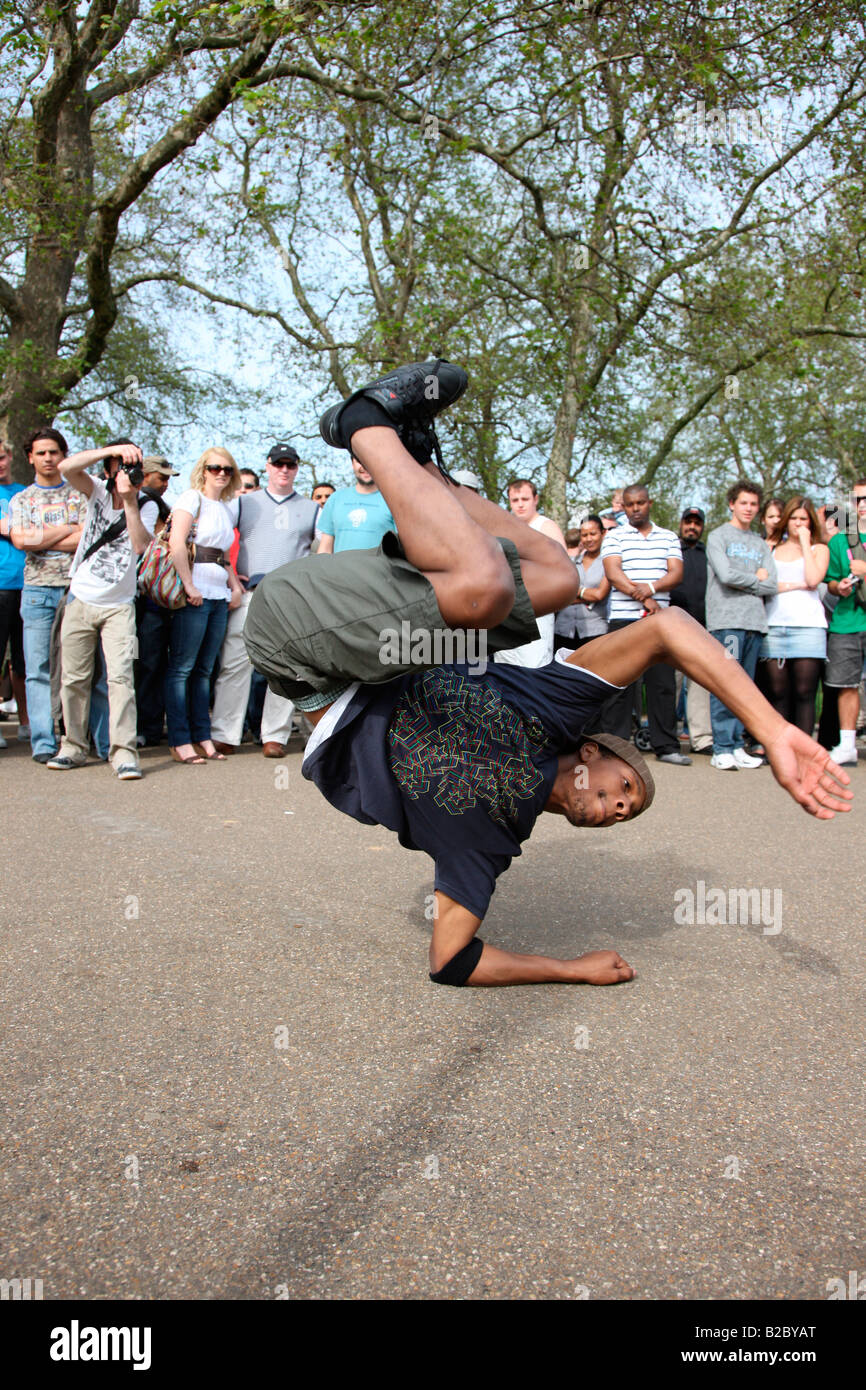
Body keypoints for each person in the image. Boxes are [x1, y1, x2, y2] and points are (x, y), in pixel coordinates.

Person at [243, 359, 851, 989]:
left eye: (625, 811)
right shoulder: (556, 709)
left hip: (303, 648)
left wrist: (573, 970)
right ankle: (396, 445)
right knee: (559, 576)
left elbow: (452, 961)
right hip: (354, 618)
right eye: (625, 790)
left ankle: (390, 440)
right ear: (590, 749)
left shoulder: (492, 840)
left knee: (486, 590)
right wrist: (774, 730)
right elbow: (668, 630)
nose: (617, 807)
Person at [44, 440, 151, 778]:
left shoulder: (145, 503)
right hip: (80, 599)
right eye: (121, 466)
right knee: (73, 678)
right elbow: (66, 468)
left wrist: (131, 500)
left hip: (119, 607)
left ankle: (123, 753)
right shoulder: (96, 491)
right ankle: (73, 746)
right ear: (108, 470)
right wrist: (112, 451)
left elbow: (140, 545)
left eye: (134, 467)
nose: (127, 473)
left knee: (121, 678)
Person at [210, 442, 318, 758]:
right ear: (268, 466)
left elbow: (324, 549)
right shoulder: (244, 504)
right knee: (235, 664)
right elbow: (213, 536)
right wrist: (230, 575)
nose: (284, 470)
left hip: (290, 599)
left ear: (296, 468)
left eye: (291, 464)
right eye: (279, 464)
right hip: (250, 594)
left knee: (285, 668)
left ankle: (275, 736)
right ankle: (224, 733)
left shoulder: (312, 508)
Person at [8, 428, 85, 761]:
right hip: (37, 590)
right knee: (37, 667)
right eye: (41, 453)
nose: (49, 458)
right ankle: (43, 740)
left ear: (62, 455)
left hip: (74, 589)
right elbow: (21, 541)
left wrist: (42, 537)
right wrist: (67, 529)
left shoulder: (78, 495)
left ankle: (74, 737)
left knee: (75, 668)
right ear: (30, 458)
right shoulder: (21, 500)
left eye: (54, 452)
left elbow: (84, 539)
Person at [599, 484, 689, 764]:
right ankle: (615, 746)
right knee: (620, 684)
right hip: (624, 619)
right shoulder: (614, 536)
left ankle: (666, 746)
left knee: (662, 684)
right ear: (623, 507)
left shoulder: (669, 537)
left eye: (640, 503)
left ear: (650, 503)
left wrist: (648, 589)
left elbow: (676, 574)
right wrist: (645, 599)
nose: (635, 508)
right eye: (630, 504)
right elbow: (614, 573)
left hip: (661, 619)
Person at [164, 447, 244, 764]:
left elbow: (223, 556)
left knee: (204, 670)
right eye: (214, 468)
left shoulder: (225, 508)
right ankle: (179, 739)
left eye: (226, 468)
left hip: (218, 594)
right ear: (203, 469)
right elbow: (175, 542)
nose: (221, 473)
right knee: (181, 668)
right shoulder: (190, 498)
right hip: (194, 591)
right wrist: (188, 584)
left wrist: (235, 586)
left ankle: (202, 736)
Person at [706, 479, 778, 769]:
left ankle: (736, 744)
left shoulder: (760, 542)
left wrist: (750, 581)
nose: (748, 508)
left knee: (745, 687)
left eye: (753, 504)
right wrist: (755, 580)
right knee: (725, 683)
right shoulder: (718, 536)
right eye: (743, 503)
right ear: (732, 504)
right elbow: (725, 576)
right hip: (727, 622)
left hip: (755, 624)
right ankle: (721, 747)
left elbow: (772, 584)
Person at [758, 496, 829, 736]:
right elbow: (764, 584)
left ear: (810, 523)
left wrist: (806, 545)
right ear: (786, 520)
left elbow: (812, 579)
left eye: (803, 519)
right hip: (774, 625)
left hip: (808, 628)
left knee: (805, 692)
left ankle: (806, 749)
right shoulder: (771, 547)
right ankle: (779, 745)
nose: (798, 524)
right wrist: (795, 584)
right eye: (794, 518)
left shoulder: (820, 549)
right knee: (777, 691)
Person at [496, 478, 568, 667]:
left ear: (535, 499)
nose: (520, 505)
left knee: (534, 667)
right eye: (515, 500)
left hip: (537, 609)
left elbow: (563, 569)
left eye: (524, 499)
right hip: (507, 611)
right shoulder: (504, 527)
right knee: (505, 670)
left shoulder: (546, 526)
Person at [134, 456, 179, 745]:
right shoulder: (139, 505)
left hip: (162, 602)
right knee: (143, 663)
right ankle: (141, 726)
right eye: (161, 477)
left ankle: (151, 725)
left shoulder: (166, 508)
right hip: (141, 602)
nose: (165, 484)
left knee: (157, 664)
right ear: (145, 475)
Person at [823, 480, 866, 765]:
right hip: (847, 621)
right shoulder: (841, 540)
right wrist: (839, 586)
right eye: (858, 499)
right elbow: (830, 580)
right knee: (845, 684)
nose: (862, 504)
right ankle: (847, 745)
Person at [669, 506, 712, 754]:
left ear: (702, 526)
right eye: (688, 522)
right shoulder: (673, 550)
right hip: (675, 628)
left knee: (700, 684)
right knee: (670, 683)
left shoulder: (709, 554)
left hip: (703, 629)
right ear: (681, 524)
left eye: (697, 523)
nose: (692, 527)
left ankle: (701, 738)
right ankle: (666, 735)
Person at [0, 439, 28, 747]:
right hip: (0, 583)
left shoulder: (24, 492)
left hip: (28, 584)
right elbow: (21, 531)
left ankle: (26, 721)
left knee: (24, 661)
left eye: (1, 457)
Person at [316, 455, 395, 553]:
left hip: (379, 568)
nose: (365, 466)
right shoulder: (336, 499)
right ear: (352, 464)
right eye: (359, 461)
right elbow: (325, 548)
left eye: (371, 460)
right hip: (340, 568)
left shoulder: (393, 501)